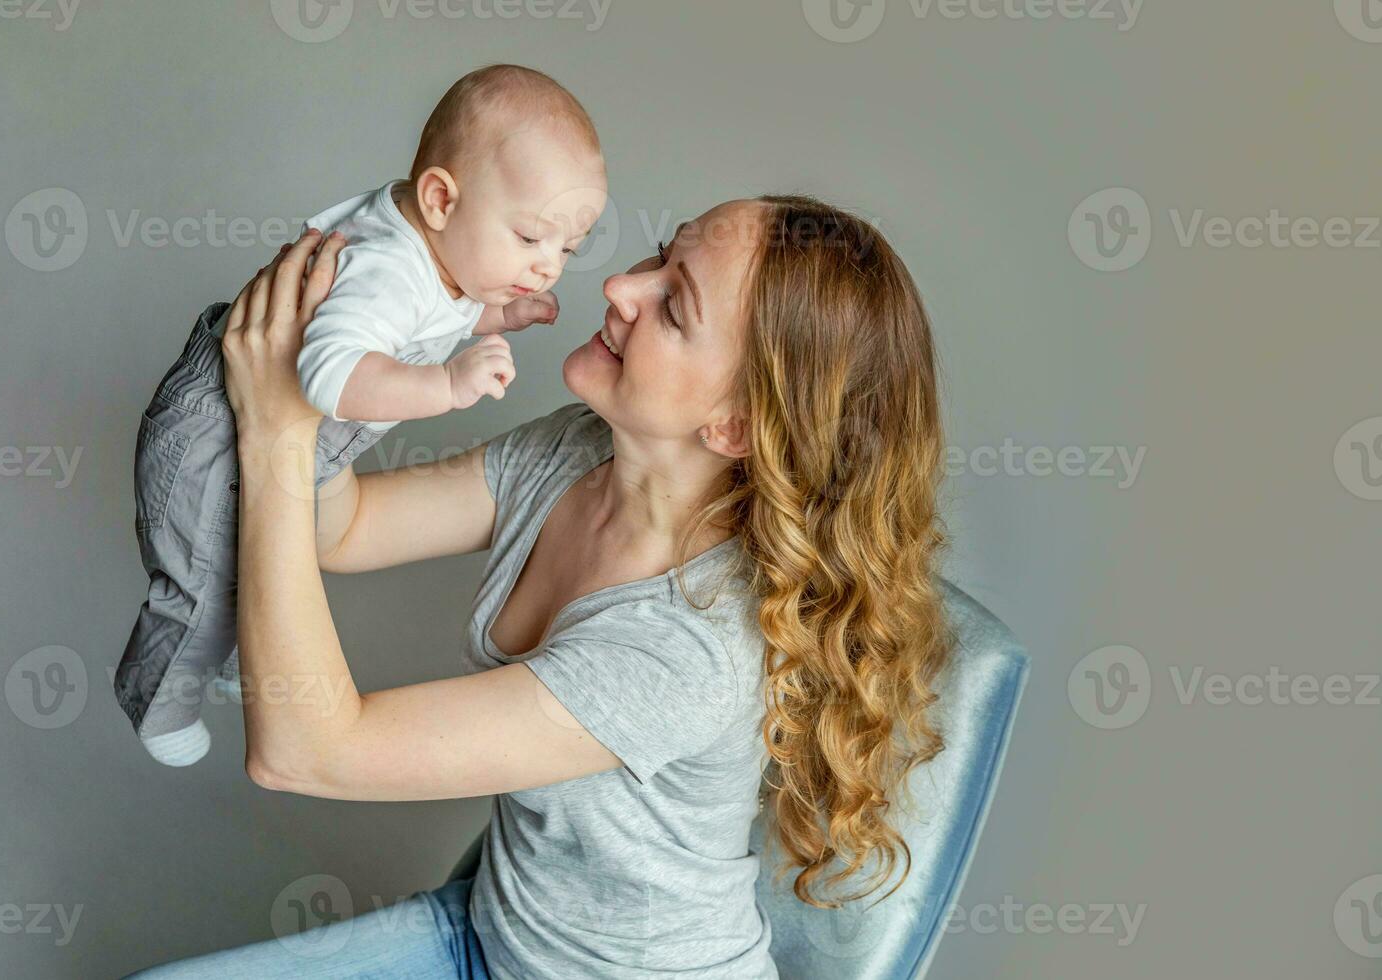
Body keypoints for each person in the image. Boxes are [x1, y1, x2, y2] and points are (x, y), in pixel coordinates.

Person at [123, 192, 952, 979]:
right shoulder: (583, 450)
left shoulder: (687, 646)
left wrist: (277, 429)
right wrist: (336, 374)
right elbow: (346, 527)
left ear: (733, 425)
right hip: (488, 939)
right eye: (661, 255)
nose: (622, 286)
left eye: (672, 305)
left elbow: (306, 752)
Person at [114, 64, 606, 765]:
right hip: (212, 437)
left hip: (262, 431)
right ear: (439, 199)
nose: (550, 265)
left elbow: (440, 308)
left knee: (252, 566)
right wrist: (445, 385)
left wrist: (499, 311)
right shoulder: (388, 269)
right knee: (200, 584)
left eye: (566, 249)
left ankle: (221, 656)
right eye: (531, 238)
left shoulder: (441, 250)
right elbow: (330, 375)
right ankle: (154, 699)